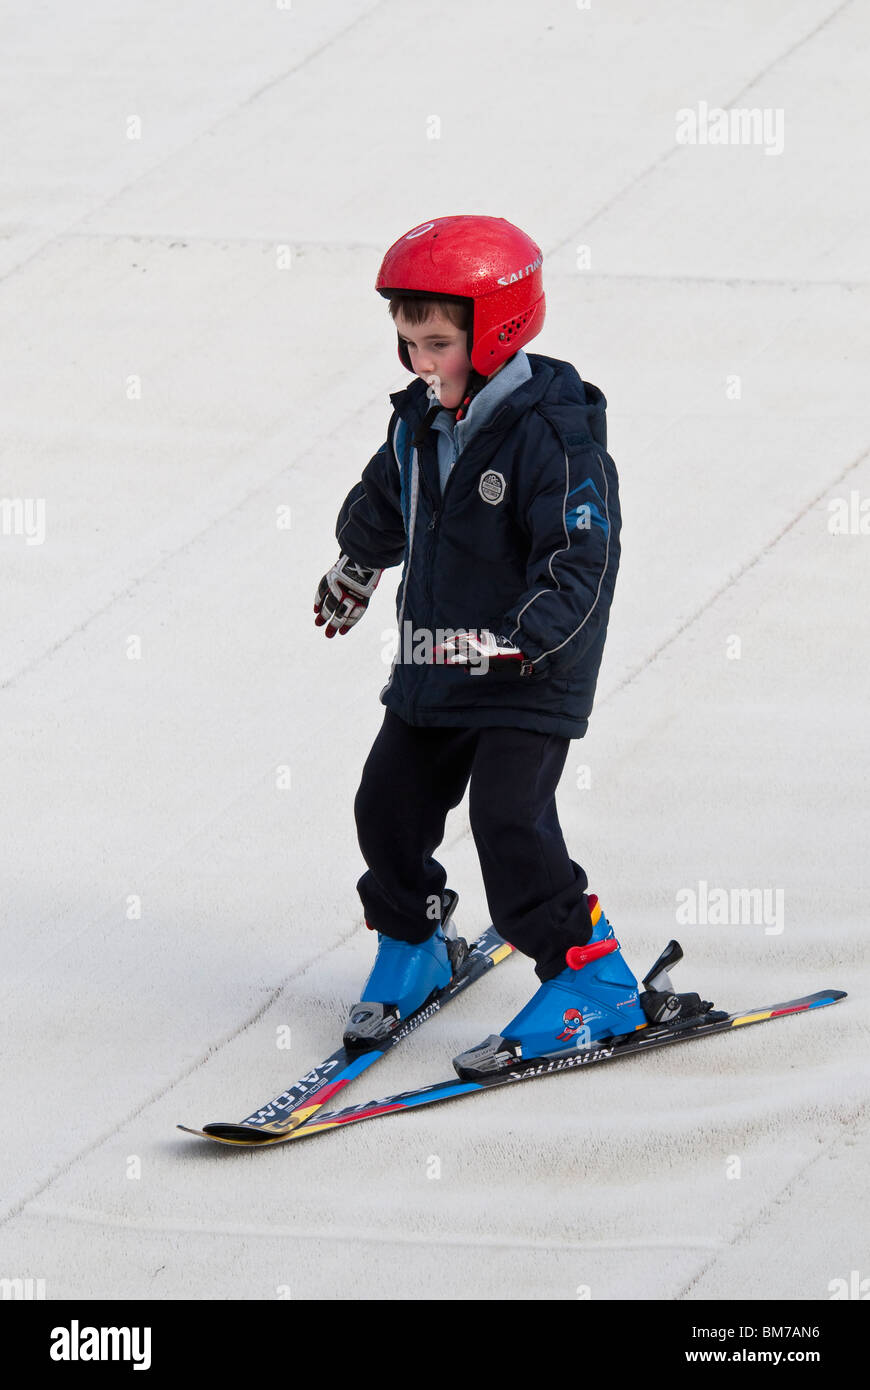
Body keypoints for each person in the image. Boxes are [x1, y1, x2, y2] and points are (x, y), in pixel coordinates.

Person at [314, 214, 650, 1080]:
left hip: (530, 669)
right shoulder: (420, 422)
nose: (419, 362)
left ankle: (595, 979)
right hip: (436, 657)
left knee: (508, 822)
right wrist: (358, 562)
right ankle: (416, 938)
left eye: (436, 341)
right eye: (406, 340)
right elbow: (388, 500)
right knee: (383, 808)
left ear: (496, 330)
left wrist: (519, 644)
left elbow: (582, 558)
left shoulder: (556, 436)